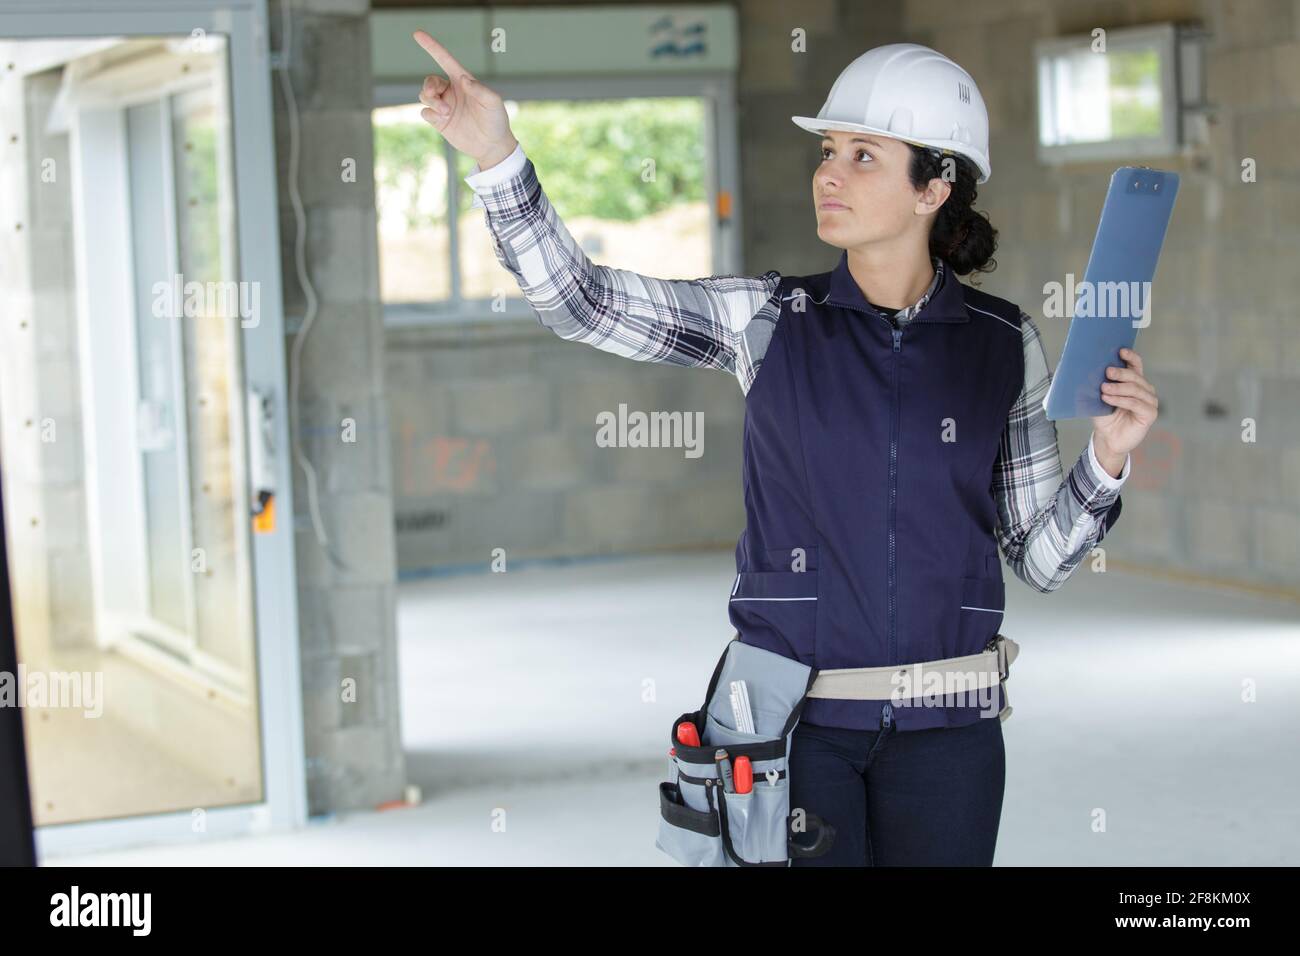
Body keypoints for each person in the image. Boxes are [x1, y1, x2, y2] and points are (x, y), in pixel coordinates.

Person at [411, 32, 1159, 866]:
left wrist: (1107, 459)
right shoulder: (765, 319)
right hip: (794, 733)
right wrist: (497, 156)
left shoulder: (1002, 343)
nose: (828, 173)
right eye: (828, 151)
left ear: (933, 187)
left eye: (864, 156)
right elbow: (582, 302)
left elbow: (1042, 559)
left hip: (951, 737)